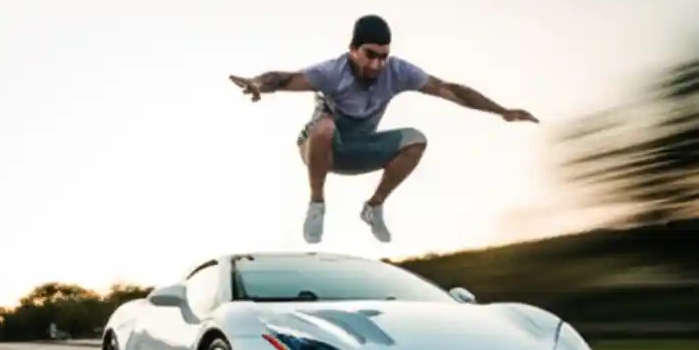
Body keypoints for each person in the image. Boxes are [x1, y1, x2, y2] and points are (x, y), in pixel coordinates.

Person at [229, 14, 538, 244]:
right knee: (324, 128)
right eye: (370, 55)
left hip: (361, 149)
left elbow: (450, 90)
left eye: (383, 57)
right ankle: (317, 204)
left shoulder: (399, 72)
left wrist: (502, 111)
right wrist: (256, 83)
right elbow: (283, 79)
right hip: (321, 150)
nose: (377, 65)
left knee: (416, 140)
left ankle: (374, 207)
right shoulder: (332, 72)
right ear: (353, 50)